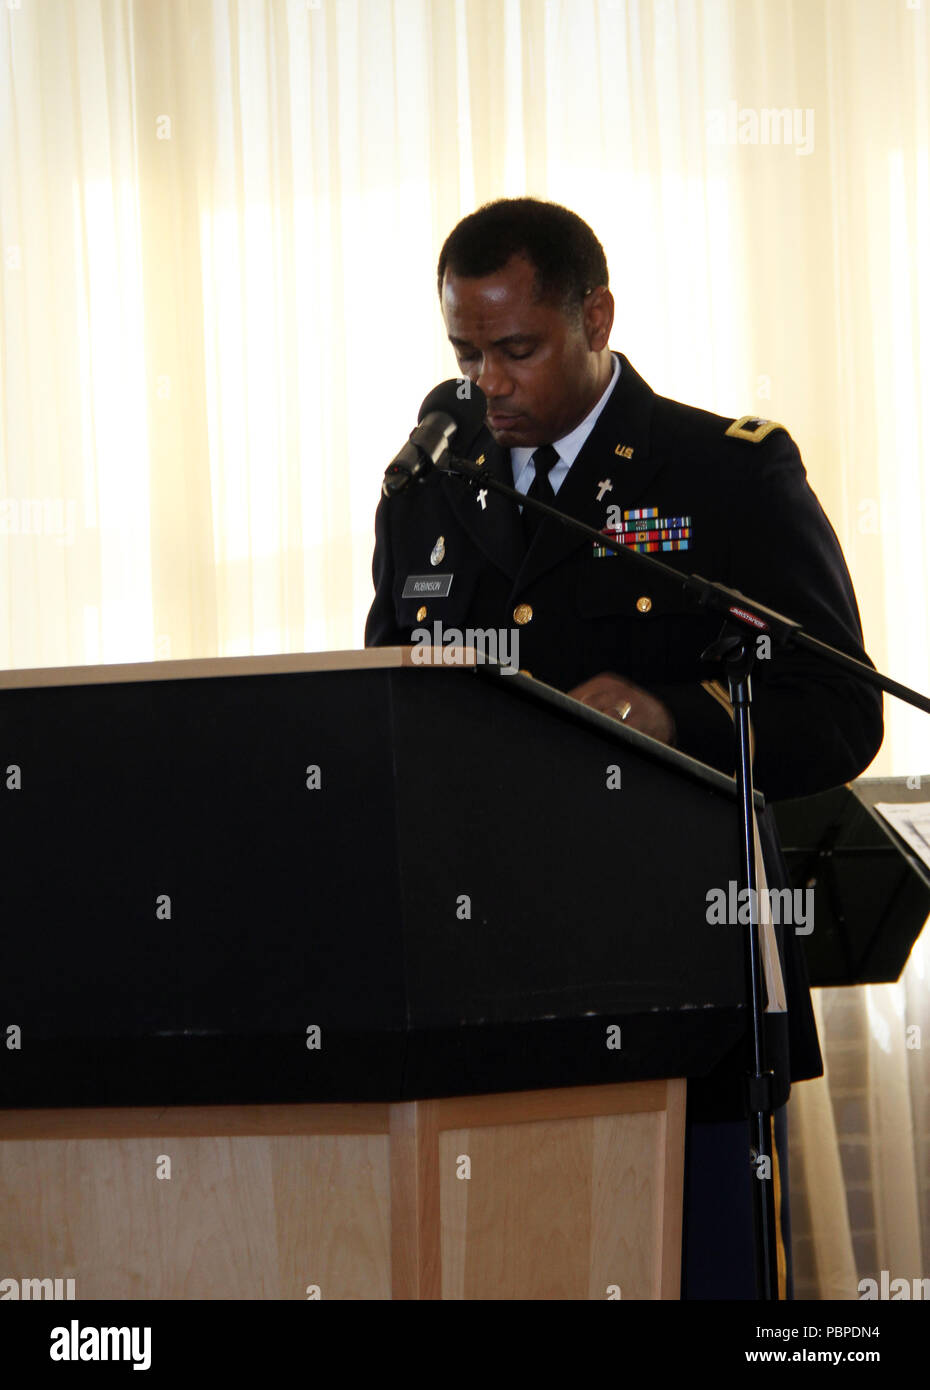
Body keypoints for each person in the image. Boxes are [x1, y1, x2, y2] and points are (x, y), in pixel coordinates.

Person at [364, 196, 884, 1297]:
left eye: (517, 349)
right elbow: (387, 706)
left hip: (679, 973)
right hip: (483, 977)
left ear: (595, 314)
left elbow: (839, 711)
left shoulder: (724, 473)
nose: (489, 381)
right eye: (465, 352)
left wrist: (669, 715)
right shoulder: (428, 485)